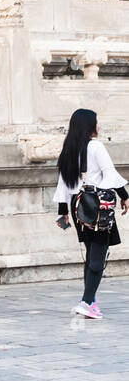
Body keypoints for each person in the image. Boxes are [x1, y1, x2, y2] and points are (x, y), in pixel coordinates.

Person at [54, 108, 128, 319]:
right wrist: (125, 195)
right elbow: (110, 172)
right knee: (98, 254)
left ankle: (91, 300)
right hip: (98, 207)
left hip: (77, 207)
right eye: (96, 122)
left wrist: (62, 212)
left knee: (91, 252)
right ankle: (86, 302)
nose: (99, 126)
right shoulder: (95, 146)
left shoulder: (68, 148)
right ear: (89, 126)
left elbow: (63, 183)